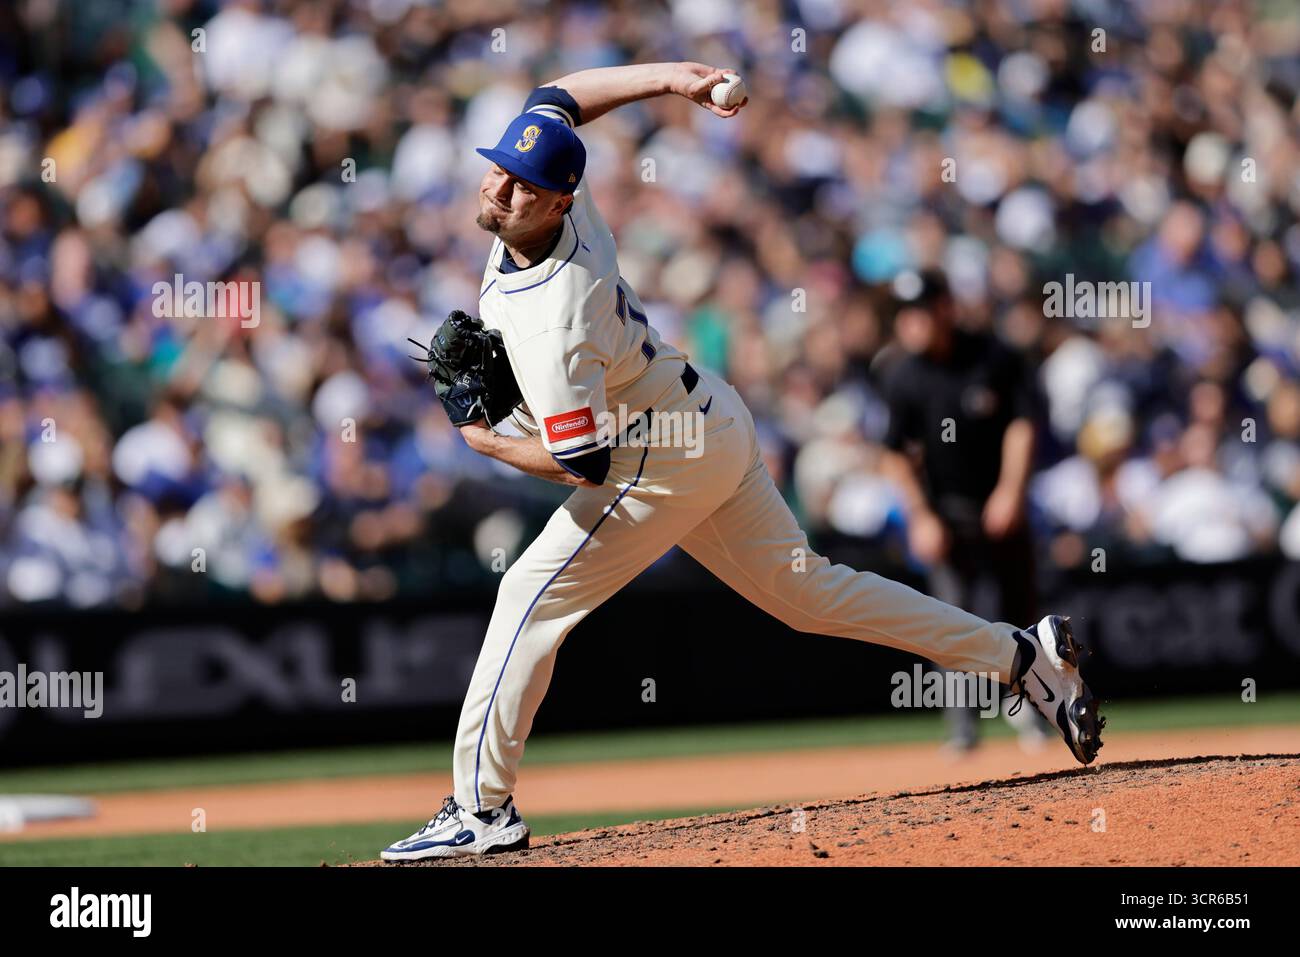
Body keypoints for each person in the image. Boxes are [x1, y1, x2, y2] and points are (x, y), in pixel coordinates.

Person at [380, 63, 1103, 862]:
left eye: (521, 184)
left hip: (655, 456)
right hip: (706, 419)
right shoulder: (565, 200)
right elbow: (562, 96)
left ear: (558, 199)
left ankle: (481, 809)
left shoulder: (556, 318)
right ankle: (1020, 654)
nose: (500, 186)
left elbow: (582, 463)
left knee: (528, 592)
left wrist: (487, 441)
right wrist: (673, 79)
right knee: (808, 592)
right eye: (499, 170)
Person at [877, 271, 1050, 753]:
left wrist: (1011, 491)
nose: (914, 323)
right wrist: (919, 516)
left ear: (946, 308)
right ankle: (962, 727)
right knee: (947, 622)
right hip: (946, 515)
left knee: (1017, 614)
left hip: (1000, 507)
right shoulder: (903, 375)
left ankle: (1030, 712)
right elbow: (894, 451)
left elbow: (1022, 424)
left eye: (923, 310)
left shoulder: (994, 359)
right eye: (906, 314)